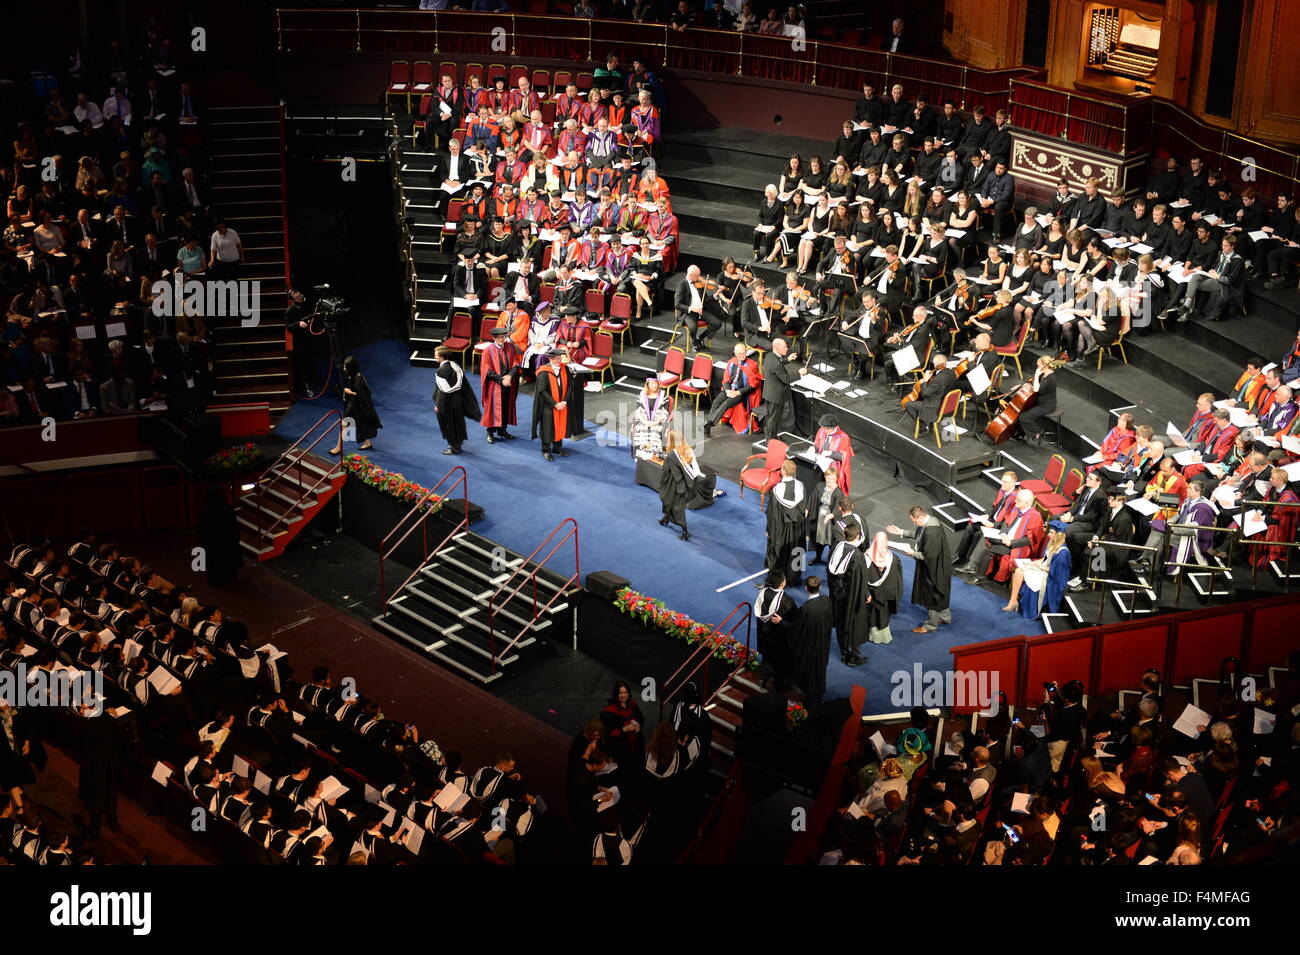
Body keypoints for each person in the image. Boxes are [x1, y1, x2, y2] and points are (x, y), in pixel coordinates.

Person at [885, 505, 952, 633]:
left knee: (933, 593)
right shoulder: (931, 522)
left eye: (915, 521)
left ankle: (930, 626)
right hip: (938, 564)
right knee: (940, 590)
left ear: (921, 517)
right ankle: (945, 616)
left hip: (934, 568)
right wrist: (900, 532)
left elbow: (928, 556)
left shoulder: (932, 532)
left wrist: (911, 552)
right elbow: (920, 536)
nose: (915, 524)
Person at [658, 430, 718, 542]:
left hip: (678, 486)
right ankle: (666, 519)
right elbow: (695, 471)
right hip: (691, 484)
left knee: (676, 507)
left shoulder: (672, 455)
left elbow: (675, 475)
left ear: (671, 440)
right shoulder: (688, 449)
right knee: (671, 503)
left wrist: (680, 487)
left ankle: (685, 532)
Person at [827, 523, 869, 667]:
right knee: (854, 622)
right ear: (857, 537)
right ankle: (855, 656)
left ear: (844, 535)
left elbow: (831, 573)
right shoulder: (857, 556)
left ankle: (844, 652)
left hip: (837, 595)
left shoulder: (835, 548)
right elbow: (861, 580)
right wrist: (866, 594)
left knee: (840, 623)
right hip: (852, 597)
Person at [788, 575, 833, 704]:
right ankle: (819, 696)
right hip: (823, 642)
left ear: (806, 588)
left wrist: (782, 623)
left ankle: (809, 700)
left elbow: (796, 629)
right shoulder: (827, 601)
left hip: (810, 646)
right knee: (820, 670)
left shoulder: (805, 609)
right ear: (820, 587)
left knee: (810, 672)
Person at [1007, 530, 1071, 618]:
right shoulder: (1052, 543)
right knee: (1018, 571)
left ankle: (1014, 602)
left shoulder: (1063, 552)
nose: (1048, 534)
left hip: (1051, 578)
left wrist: (1041, 567)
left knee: (1020, 573)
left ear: (1058, 535)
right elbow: (1046, 559)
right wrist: (1037, 562)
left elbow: (1057, 572)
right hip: (1044, 569)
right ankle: (1013, 601)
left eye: (1051, 533)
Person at [703, 343, 762, 436]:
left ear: (747, 352)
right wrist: (727, 391)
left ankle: (709, 423)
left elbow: (752, 386)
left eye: (744, 353)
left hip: (742, 392)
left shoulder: (752, 365)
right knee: (716, 402)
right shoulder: (731, 362)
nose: (742, 355)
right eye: (739, 354)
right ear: (735, 353)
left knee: (726, 404)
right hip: (730, 389)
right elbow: (726, 380)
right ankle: (709, 424)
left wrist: (737, 392)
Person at [433, 345, 480, 455]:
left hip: (447, 404)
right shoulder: (455, 366)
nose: (434, 356)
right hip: (458, 401)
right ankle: (459, 441)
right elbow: (461, 385)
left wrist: (438, 405)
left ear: (441, 357)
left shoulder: (440, 372)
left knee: (447, 424)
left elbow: (444, 391)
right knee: (457, 423)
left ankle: (454, 447)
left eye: (436, 355)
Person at [330, 356, 381, 454]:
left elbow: (361, 396)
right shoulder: (351, 375)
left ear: (351, 367)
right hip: (353, 405)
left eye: (346, 367)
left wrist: (349, 392)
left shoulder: (359, 381)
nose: (344, 369)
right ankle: (367, 442)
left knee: (344, 424)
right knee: (358, 424)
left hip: (356, 406)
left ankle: (338, 447)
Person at [755, 569, 796, 690]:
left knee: (767, 656)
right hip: (779, 637)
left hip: (763, 633)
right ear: (782, 584)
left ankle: (763, 677)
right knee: (780, 660)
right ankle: (779, 685)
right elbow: (794, 621)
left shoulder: (762, 594)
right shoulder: (786, 601)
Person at [532, 348, 576, 461]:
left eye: (560, 358)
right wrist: (555, 404)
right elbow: (542, 391)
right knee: (548, 427)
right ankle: (546, 450)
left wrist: (564, 401)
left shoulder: (564, 368)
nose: (559, 361)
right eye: (556, 359)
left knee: (560, 425)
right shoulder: (543, 372)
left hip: (562, 404)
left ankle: (557, 447)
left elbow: (570, 386)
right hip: (548, 405)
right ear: (550, 358)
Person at [766, 460, 807, 577]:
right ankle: (793, 578)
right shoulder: (801, 486)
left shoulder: (777, 489)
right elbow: (803, 507)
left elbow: (772, 513)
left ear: (783, 471)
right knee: (794, 550)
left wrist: (769, 530)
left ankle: (774, 579)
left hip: (780, 528)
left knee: (777, 550)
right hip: (796, 527)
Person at [480, 326, 521, 443]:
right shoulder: (488, 350)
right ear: (494, 338)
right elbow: (486, 369)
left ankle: (502, 430)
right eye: (499, 338)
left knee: (506, 407)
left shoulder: (510, 347)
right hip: (495, 384)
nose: (502, 340)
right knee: (493, 408)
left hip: (508, 383)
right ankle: (490, 432)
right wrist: (500, 379)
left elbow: (515, 363)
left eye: (503, 337)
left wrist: (509, 377)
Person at [759, 337, 805, 437]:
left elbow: (778, 363)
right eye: (784, 347)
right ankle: (770, 440)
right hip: (775, 396)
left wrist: (787, 359)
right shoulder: (776, 363)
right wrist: (799, 373)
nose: (787, 349)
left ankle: (772, 437)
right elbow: (786, 379)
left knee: (772, 418)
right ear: (777, 348)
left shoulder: (769, 356)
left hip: (770, 393)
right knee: (773, 419)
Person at [864, 532, 902, 645]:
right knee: (883, 615)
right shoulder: (894, 559)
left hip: (871, 596)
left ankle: (871, 636)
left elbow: (861, 578)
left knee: (871, 615)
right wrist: (896, 595)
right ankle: (883, 637)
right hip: (886, 595)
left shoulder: (866, 559)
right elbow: (898, 580)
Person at [808, 464, 848, 566]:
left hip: (830, 522)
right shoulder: (820, 486)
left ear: (836, 478)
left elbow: (838, 509)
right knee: (819, 539)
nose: (829, 481)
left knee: (830, 541)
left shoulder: (838, 493)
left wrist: (831, 516)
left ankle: (832, 561)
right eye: (827, 478)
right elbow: (812, 499)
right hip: (819, 517)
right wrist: (807, 508)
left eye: (832, 478)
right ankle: (818, 557)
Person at [1018, 356, 1059, 447]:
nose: (1037, 368)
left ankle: (1038, 431)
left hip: (1046, 406)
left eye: (1039, 366)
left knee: (1024, 417)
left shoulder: (1050, 379)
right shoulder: (1044, 375)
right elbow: (1033, 383)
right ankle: (1022, 433)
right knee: (1021, 411)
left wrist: (1036, 375)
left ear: (1045, 366)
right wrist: (1020, 387)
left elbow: (1037, 389)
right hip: (1039, 402)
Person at [630, 377, 672, 458]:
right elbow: (638, 410)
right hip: (644, 418)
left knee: (656, 430)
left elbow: (665, 411)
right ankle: (640, 453)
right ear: (647, 384)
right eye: (652, 383)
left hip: (658, 419)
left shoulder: (663, 395)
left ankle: (655, 455)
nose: (655, 385)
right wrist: (644, 421)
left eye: (656, 383)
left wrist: (655, 422)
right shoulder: (642, 394)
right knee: (640, 428)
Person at [813, 414, 854, 495]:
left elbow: (844, 456)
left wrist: (830, 453)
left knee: (829, 489)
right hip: (820, 465)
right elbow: (817, 444)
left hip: (833, 469)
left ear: (834, 427)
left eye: (827, 429)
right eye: (823, 428)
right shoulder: (822, 431)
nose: (824, 431)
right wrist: (813, 448)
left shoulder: (843, 437)